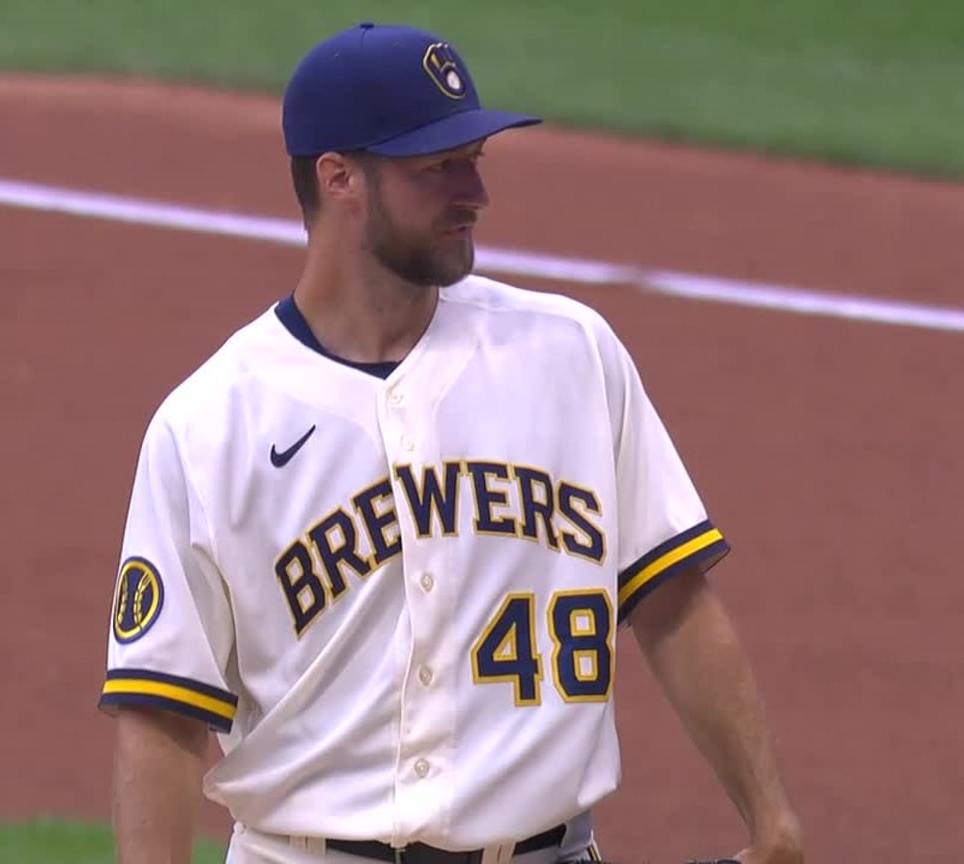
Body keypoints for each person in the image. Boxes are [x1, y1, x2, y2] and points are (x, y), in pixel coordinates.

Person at [97, 20, 804, 864]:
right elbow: (160, 719)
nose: (475, 192)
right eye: (437, 169)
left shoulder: (571, 353)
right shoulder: (210, 423)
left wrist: (772, 819)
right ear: (340, 178)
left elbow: (670, 598)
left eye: (474, 159)